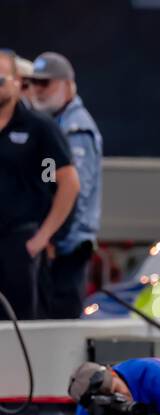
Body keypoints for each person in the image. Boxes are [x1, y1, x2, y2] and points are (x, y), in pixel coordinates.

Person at [0, 49, 79, 320]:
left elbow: (68, 184)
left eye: (0, 80)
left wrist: (42, 238)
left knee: (20, 324)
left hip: (19, 241)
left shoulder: (39, 128)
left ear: (16, 82)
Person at [28, 52, 102, 319]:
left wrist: (54, 240)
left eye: (46, 83)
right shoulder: (53, 124)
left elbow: (75, 193)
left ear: (68, 85)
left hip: (68, 249)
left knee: (60, 324)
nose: (38, 90)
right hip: (56, 244)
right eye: (33, 83)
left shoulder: (75, 129)